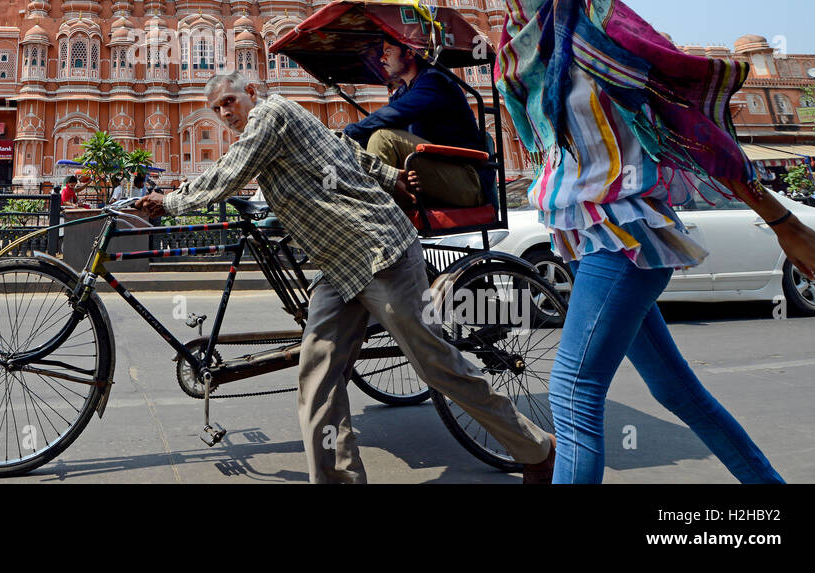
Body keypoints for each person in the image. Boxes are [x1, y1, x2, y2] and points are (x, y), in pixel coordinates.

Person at [494, 0, 815, 484]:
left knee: (572, 391)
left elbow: (698, 134)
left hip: (625, 232)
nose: (513, 0)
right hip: (580, 236)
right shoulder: (531, 63)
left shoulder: (606, 44)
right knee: (676, 391)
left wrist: (784, 224)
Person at [136, 71, 556, 484]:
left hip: (379, 251)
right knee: (317, 373)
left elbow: (229, 171)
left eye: (229, 101)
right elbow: (345, 151)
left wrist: (171, 200)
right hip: (339, 267)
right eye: (216, 109)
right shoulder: (290, 119)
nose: (225, 113)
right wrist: (392, 176)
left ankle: (537, 448)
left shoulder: (270, 116)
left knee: (436, 365)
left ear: (250, 91)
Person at [343, 38, 486, 208]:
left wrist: (348, 133)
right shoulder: (402, 92)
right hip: (430, 170)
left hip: (465, 180)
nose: (382, 59)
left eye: (388, 51)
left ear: (410, 53)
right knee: (367, 143)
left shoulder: (435, 81)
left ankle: (376, 213)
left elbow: (393, 115)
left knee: (383, 138)